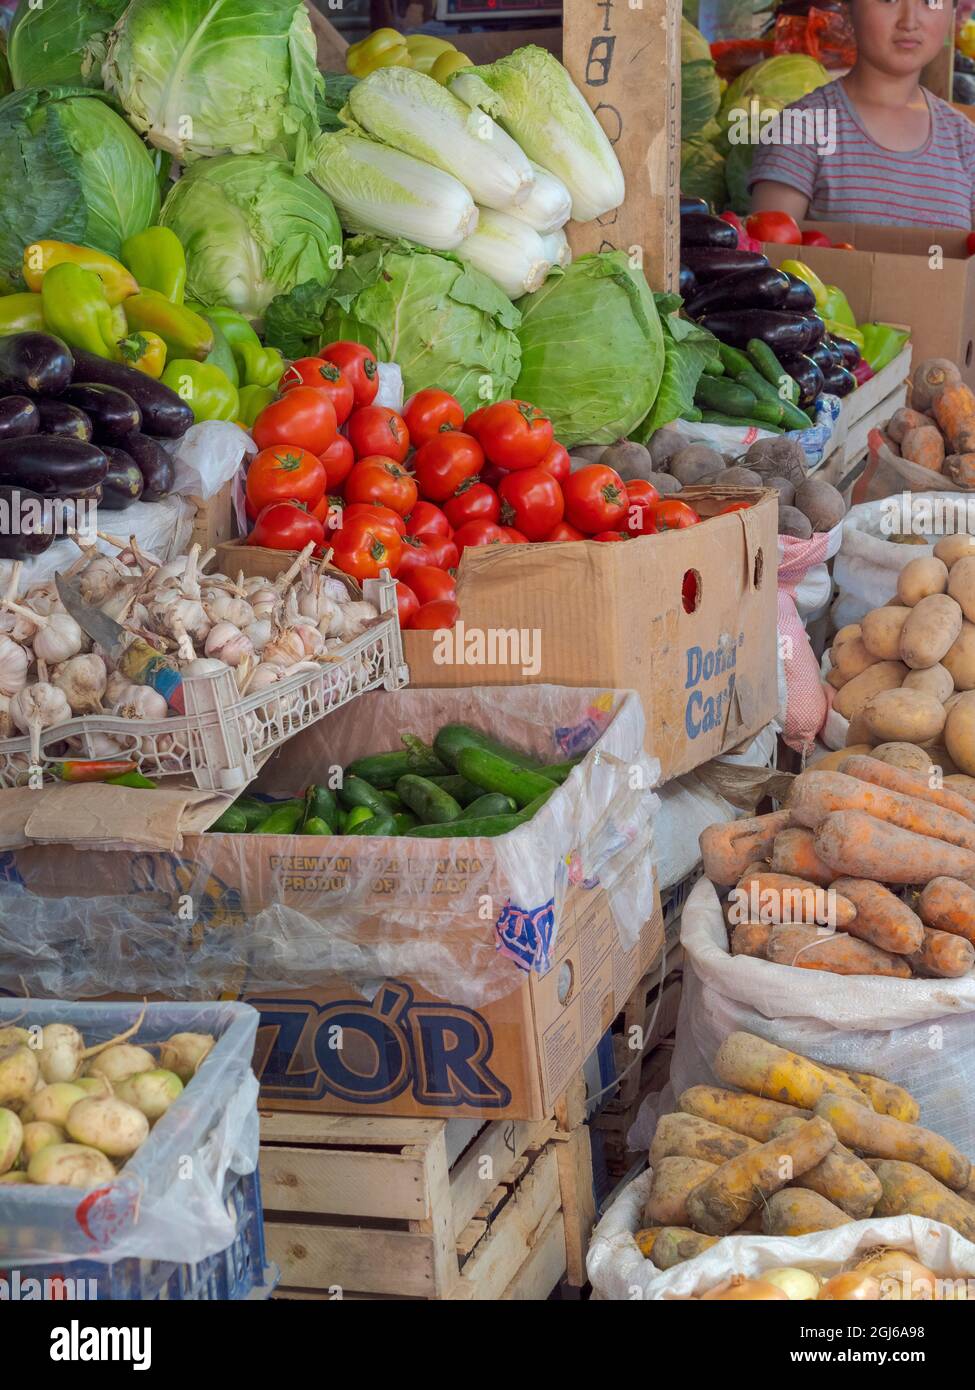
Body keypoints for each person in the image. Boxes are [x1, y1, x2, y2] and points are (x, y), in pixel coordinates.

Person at [750, 0, 975, 229]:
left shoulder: (965, 142)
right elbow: (769, 252)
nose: (909, 22)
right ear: (848, 10)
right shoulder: (801, 128)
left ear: (952, 13)